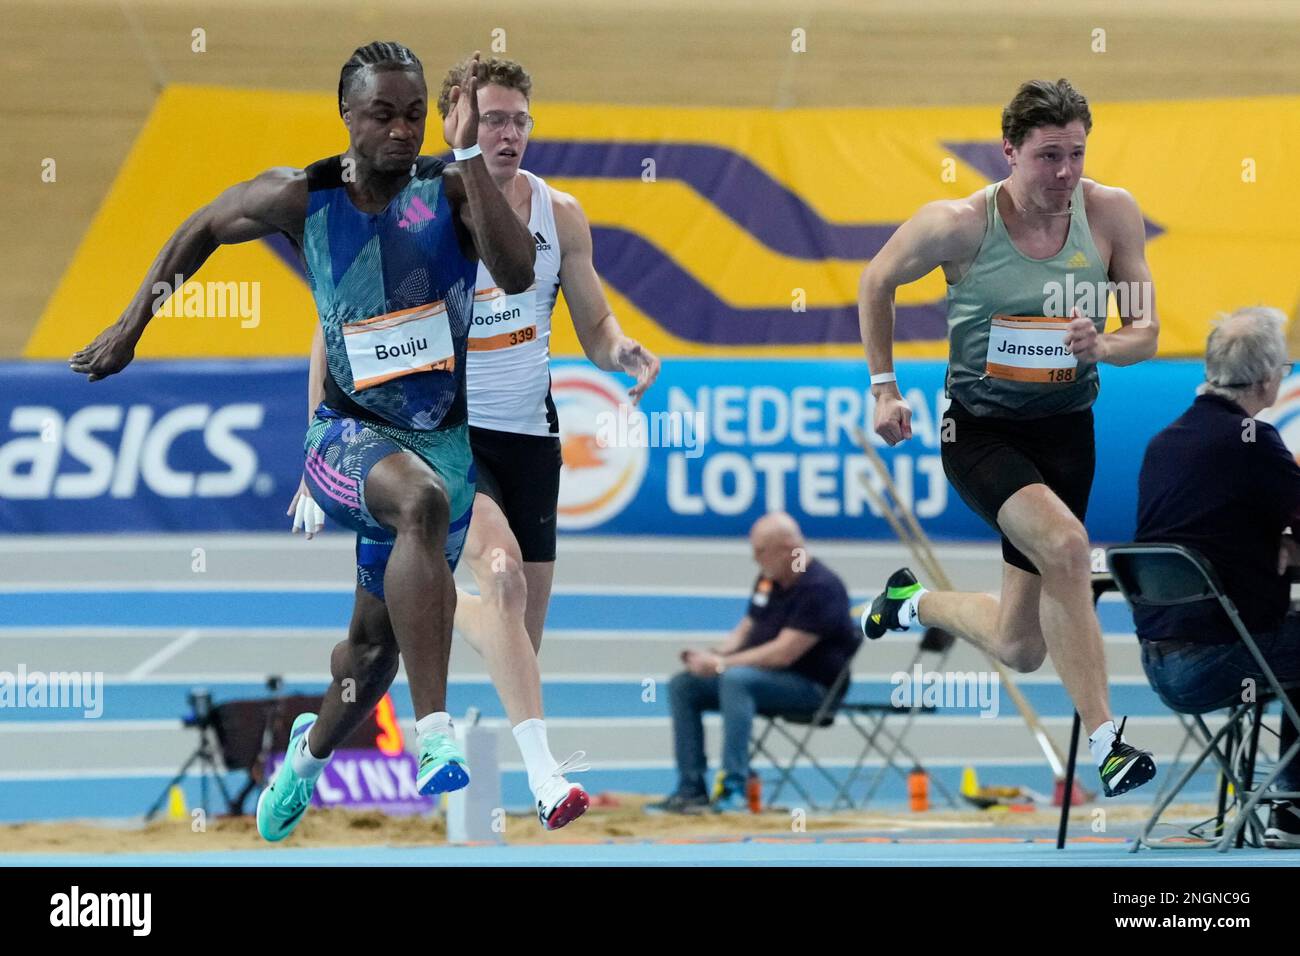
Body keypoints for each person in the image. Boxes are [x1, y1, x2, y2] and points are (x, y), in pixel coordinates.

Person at [72, 42, 538, 842]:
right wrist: (132, 325)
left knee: (368, 655)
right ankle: (435, 734)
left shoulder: (452, 186)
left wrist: (464, 155)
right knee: (417, 507)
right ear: (347, 117)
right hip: (346, 433)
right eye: (382, 115)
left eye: (415, 115)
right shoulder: (303, 196)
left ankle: (306, 757)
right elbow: (203, 227)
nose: (401, 130)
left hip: (444, 444)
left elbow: (519, 273)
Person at [289, 55, 662, 830]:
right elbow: (339, 332)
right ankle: (545, 773)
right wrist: (313, 441)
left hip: (531, 441)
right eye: (493, 119)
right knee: (503, 581)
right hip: (445, 437)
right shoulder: (422, 199)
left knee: (510, 637)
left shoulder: (560, 215)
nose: (508, 134)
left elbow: (592, 322)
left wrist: (621, 349)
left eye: (520, 120)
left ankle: (416, 604)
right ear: (459, 115)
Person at [857, 78, 1158, 797]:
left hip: (1066, 430)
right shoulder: (958, 224)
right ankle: (1108, 740)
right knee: (1068, 547)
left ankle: (911, 602)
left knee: (1021, 647)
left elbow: (1146, 331)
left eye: (1076, 154)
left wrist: (1104, 348)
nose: (1064, 173)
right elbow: (876, 281)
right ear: (1009, 152)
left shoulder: (1112, 214)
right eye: (1048, 156)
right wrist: (883, 388)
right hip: (981, 431)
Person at [1134, 306, 1300, 848]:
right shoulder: (1253, 440)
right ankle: (1292, 811)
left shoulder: (1163, 442)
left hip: (1160, 660)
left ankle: (1285, 807)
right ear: (1269, 377)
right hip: (1218, 658)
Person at [649, 513, 861, 813]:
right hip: (762, 679)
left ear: (788, 548)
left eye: (761, 550)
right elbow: (748, 627)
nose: (754, 558)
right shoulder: (767, 581)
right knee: (684, 685)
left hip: (812, 689)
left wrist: (723, 666)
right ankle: (691, 790)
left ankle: (733, 787)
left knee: (736, 679)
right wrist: (714, 656)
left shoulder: (821, 588)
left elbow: (782, 653)